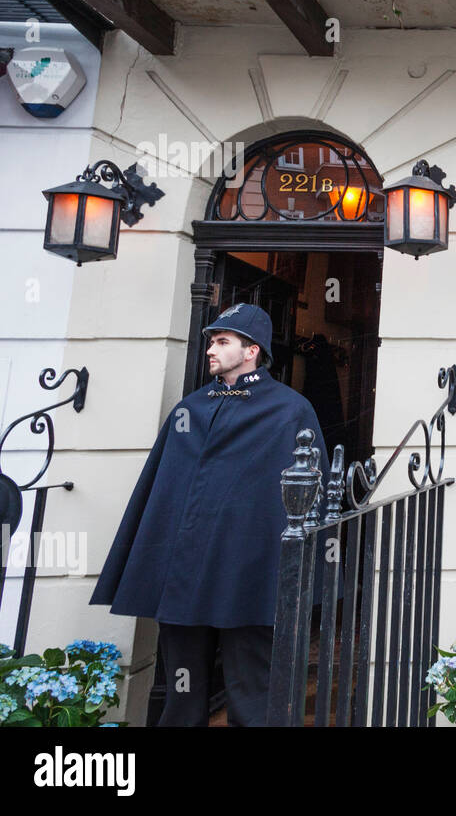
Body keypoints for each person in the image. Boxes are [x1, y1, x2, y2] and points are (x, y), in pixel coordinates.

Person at [90, 303, 324, 726]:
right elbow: (160, 493)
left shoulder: (289, 411)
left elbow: (313, 499)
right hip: (186, 577)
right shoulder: (189, 411)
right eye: (211, 342)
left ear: (251, 350)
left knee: (253, 695)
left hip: (249, 577)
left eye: (222, 341)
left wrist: (308, 571)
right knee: (182, 692)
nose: (211, 350)